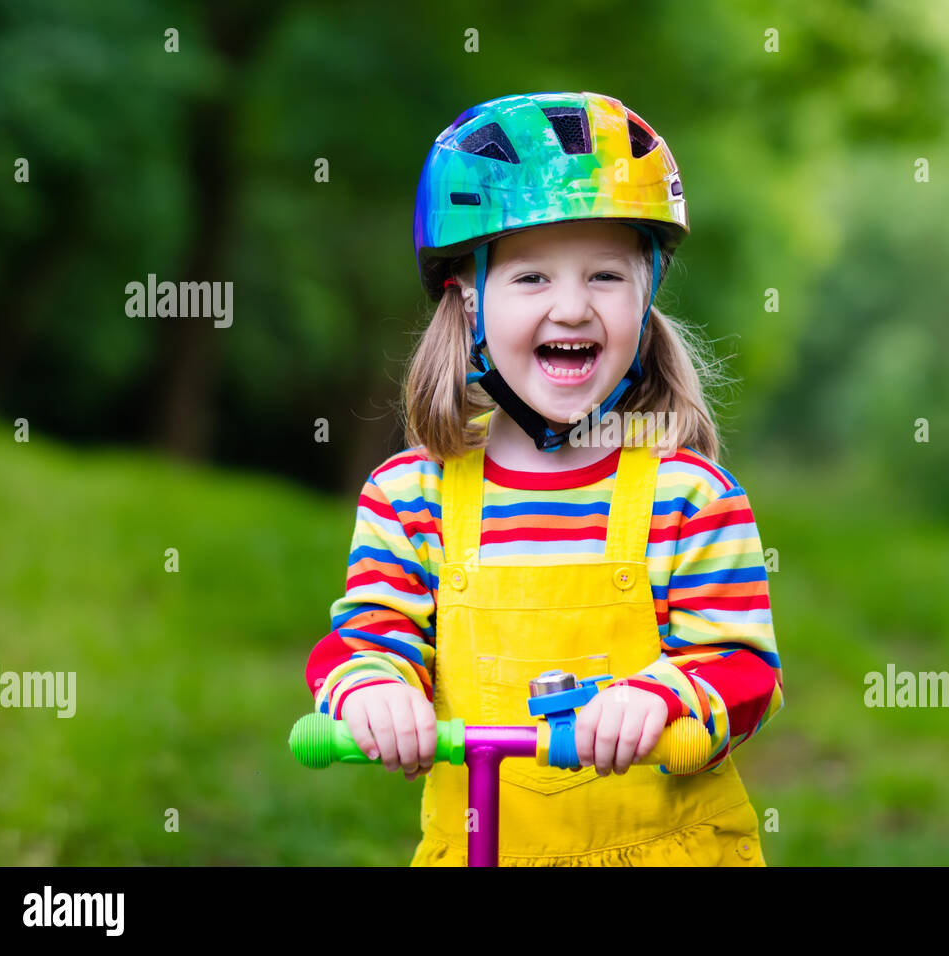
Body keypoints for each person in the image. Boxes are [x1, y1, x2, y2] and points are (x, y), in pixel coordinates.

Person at [304, 91, 783, 866]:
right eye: (531, 278)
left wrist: (657, 699)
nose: (572, 308)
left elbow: (744, 669)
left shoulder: (689, 497)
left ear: (648, 291)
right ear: (468, 301)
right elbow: (368, 633)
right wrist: (375, 691)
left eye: (604, 276)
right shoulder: (408, 499)